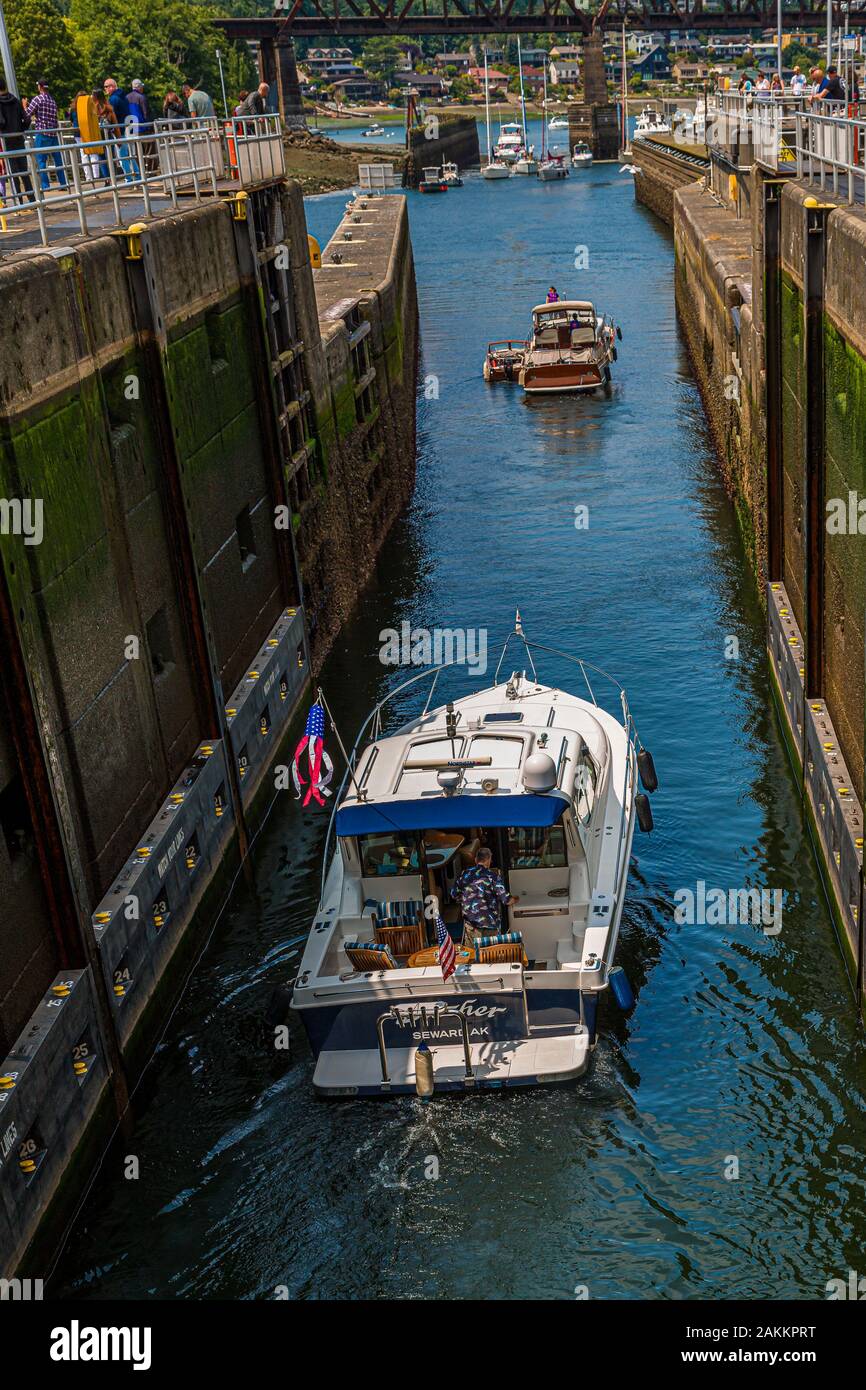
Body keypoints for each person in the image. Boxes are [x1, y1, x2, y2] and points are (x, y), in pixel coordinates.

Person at [451, 847, 519, 945]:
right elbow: (507, 900)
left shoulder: (464, 874)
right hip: (490, 926)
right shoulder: (493, 876)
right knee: (490, 956)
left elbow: (454, 894)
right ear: (488, 860)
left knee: (472, 957)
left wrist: (465, 898)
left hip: (471, 926)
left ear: (475, 860)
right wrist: (517, 898)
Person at [26, 77, 67, 191]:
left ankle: (45, 186)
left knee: (41, 161)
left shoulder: (37, 99)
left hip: (42, 133)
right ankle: (63, 184)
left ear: (40, 87)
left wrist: (24, 105)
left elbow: (27, 114)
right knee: (58, 160)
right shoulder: (52, 100)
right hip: (53, 134)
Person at [0, 76, 34, 205]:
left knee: (13, 174)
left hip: (6, 141)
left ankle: (19, 201)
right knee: (24, 172)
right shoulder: (15, 100)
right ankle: (32, 200)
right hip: (19, 139)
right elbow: (27, 119)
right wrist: (21, 129)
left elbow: (1, 122)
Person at [103, 77, 136, 180]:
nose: (105, 89)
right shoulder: (123, 96)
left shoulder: (113, 99)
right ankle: (138, 175)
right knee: (129, 155)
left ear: (112, 86)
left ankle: (129, 178)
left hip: (119, 130)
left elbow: (111, 115)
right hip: (127, 128)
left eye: (106, 87)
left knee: (122, 156)